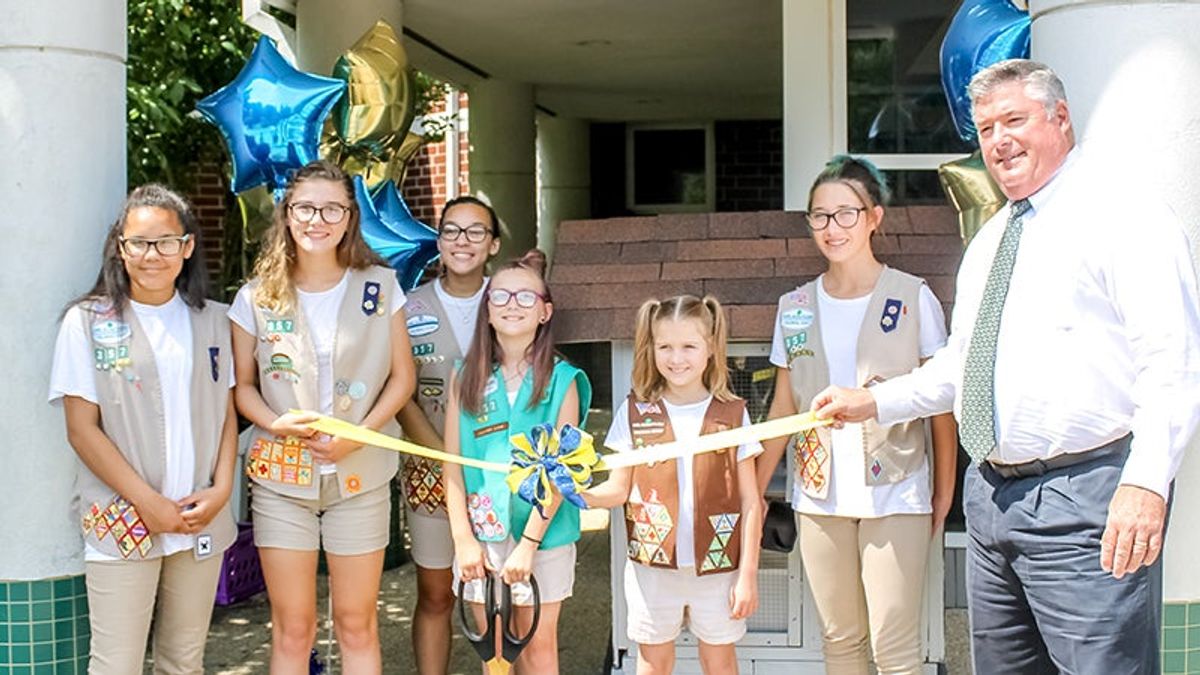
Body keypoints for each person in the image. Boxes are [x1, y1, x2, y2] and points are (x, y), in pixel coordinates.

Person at [811, 59, 1200, 674]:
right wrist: (873, 402)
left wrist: (1147, 483)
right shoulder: (990, 240)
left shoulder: (1124, 216)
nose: (998, 141)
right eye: (987, 128)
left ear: (1061, 119)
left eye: (1014, 120)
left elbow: (1172, 362)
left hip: (1087, 500)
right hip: (992, 501)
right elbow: (964, 368)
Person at [754, 156, 957, 674]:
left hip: (897, 489)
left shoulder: (912, 297)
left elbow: (940, 402)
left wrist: (944, 491)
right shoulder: (794, 305)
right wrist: (753, 491)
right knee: (839, 639)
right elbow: (783, 405)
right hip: (818, 494)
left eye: (846, 213)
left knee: (895, 647)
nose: (832, 227)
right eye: (820, 216)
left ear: (874, 218)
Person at [230, 160, 415, 673]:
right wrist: (274, 423)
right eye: (306, 208)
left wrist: (360, 435)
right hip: (282, 478)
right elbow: (242, 387)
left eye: (332, 209)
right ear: (287, 214)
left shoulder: (380, 286)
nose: (318, 220)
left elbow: (402, 378)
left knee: (357, 624)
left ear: (350, 216)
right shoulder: (256, 297)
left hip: (360, 475)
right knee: (293, 629)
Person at [50, 184, 238, 674]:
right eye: (139, 243)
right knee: (116, 664)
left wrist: (222, 489)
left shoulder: (216, 322)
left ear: (187, 246)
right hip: (124, 517)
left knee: (183, 662)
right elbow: (82, 430)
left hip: (199, 515)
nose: (152, 255)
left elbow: (226, 413)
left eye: (166, 242)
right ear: (120, 247)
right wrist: (148, 503)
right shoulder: (86, 322)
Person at [584, 295, 762, 675]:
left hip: (719, 567)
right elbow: (618, 489)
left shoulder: (732, 414)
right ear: (651, 349)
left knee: (719, 661)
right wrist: (578, 494)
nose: (676, 358)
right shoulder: (634, 412)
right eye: (665, 347)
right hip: (652, 568)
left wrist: (747, 574)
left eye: (688, 347)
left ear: (710, 348)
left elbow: (751, 502)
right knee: (653, 662)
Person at [442, 249, 591, 674]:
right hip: (482, 533)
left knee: (538, 651)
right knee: (494, 654)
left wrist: (527, 546)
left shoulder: (563, 380)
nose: (512, 305)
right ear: (487, 310)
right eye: (501, 296)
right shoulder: (464, 377)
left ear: (545, 312)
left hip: (544, 536)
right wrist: (463, 540)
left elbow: (561, 470)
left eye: (526, 297)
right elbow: (451, 463)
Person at [396, 195, 501, 674]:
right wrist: (443, 459)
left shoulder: (511, 297)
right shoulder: (408, 306)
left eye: (476, 231)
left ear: (493, 244)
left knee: (501, 594)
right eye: (452, 230)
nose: (463, 241)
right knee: (437, 592)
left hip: (498, 471)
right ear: (438, 241)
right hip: (429, 467)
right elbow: (401, 393)